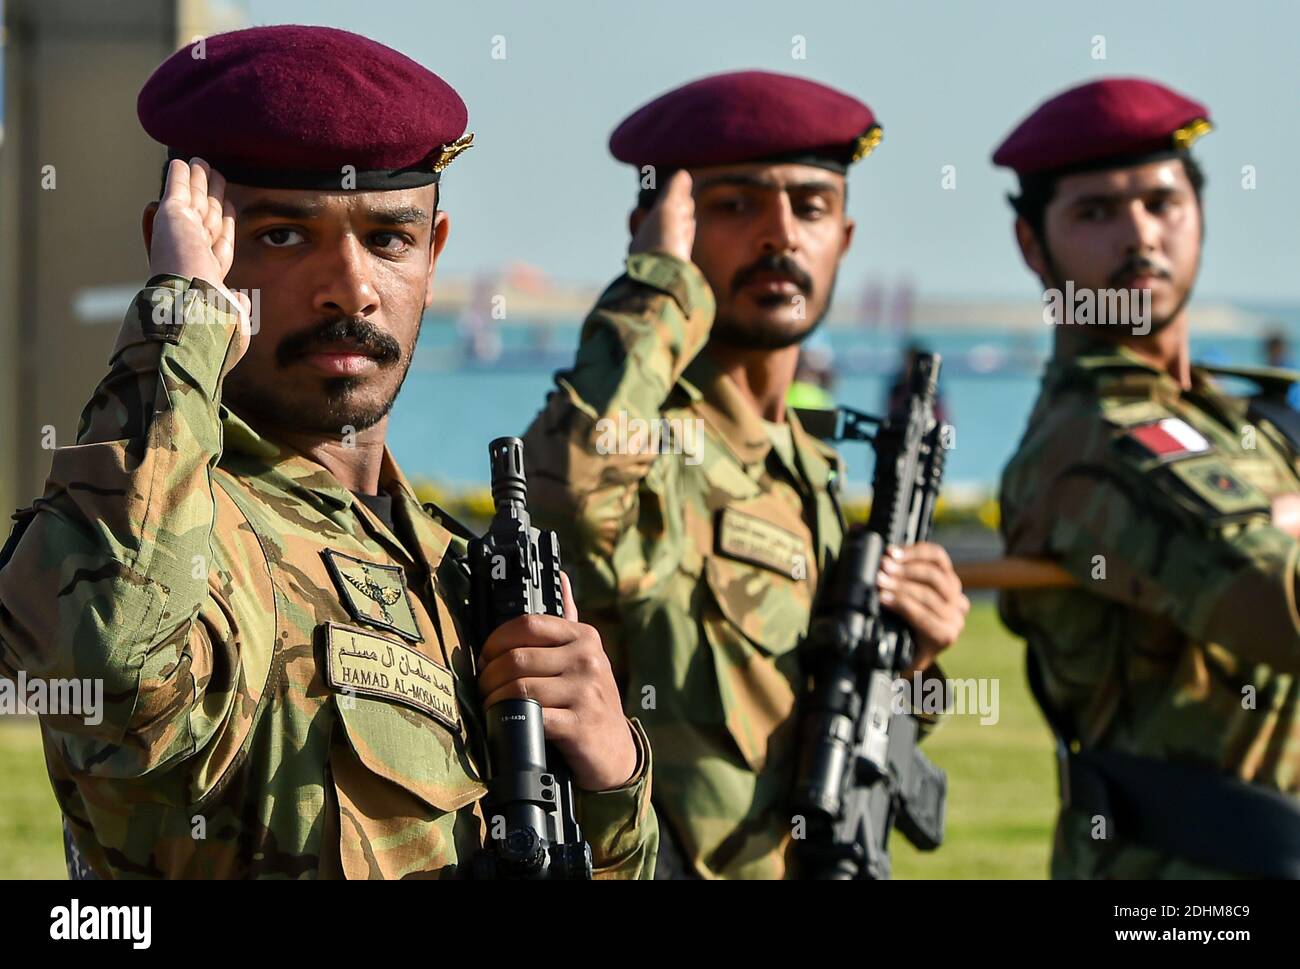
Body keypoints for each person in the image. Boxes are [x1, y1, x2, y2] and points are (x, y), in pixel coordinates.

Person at [0, 25, 656, 880]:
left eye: (388, 239)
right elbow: (107, 656)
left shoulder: (459, 573)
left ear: (434, 252)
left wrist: (610, 777)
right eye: (282, 236)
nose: (349, 287)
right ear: (189, 251)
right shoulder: (185, 544)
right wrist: (182, 323)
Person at [522, 70, 968, 879]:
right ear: (662, 229)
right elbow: (567, 498)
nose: (780, 236)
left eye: (811, 206)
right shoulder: (645, 447)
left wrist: (913, 660)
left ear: (846, 237)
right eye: (735, 205)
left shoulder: (808, 467)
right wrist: (660, 286)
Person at [995, 77, 1300, 878]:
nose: (1140, 236)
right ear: (1033, 244)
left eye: (1162, 203)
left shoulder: (1232, 420)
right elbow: (1287, 606)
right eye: (1095, 212)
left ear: (1199, 214)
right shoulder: (1103, 441)